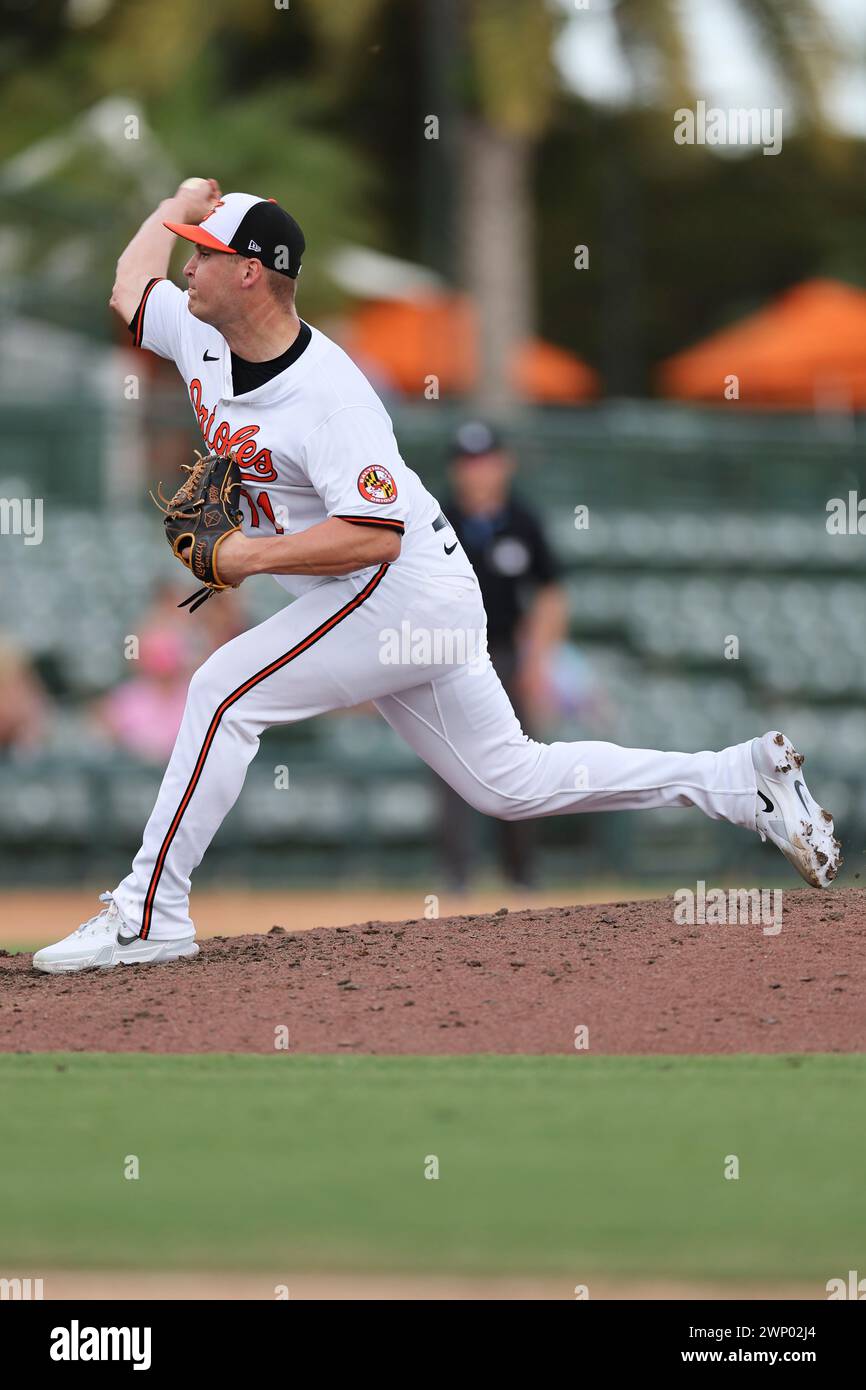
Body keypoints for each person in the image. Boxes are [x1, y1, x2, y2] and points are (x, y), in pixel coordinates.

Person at [32, 178, 841, 972]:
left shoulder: (332, 397)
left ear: (249, 272)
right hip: (413, 598)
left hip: (397, 591)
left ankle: (148, 915)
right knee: (511, 783)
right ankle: (736, 779)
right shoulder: (202, 333)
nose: (186, 267)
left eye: (202, 255)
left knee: (220, 691)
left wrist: (245, 556)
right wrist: (176, 211)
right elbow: (130, 288)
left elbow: (376, 534)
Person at [438, 421, 568, 889]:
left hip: (509, 656)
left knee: (520, 764)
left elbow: (551, 594)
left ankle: (521, 877)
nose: (477, 473)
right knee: (451, 768)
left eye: (485, 461)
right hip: (450, 657)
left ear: (504, 465)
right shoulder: (438, 520)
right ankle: (457, 879)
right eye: (468, 463)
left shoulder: (523, 520)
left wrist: (538, 661)